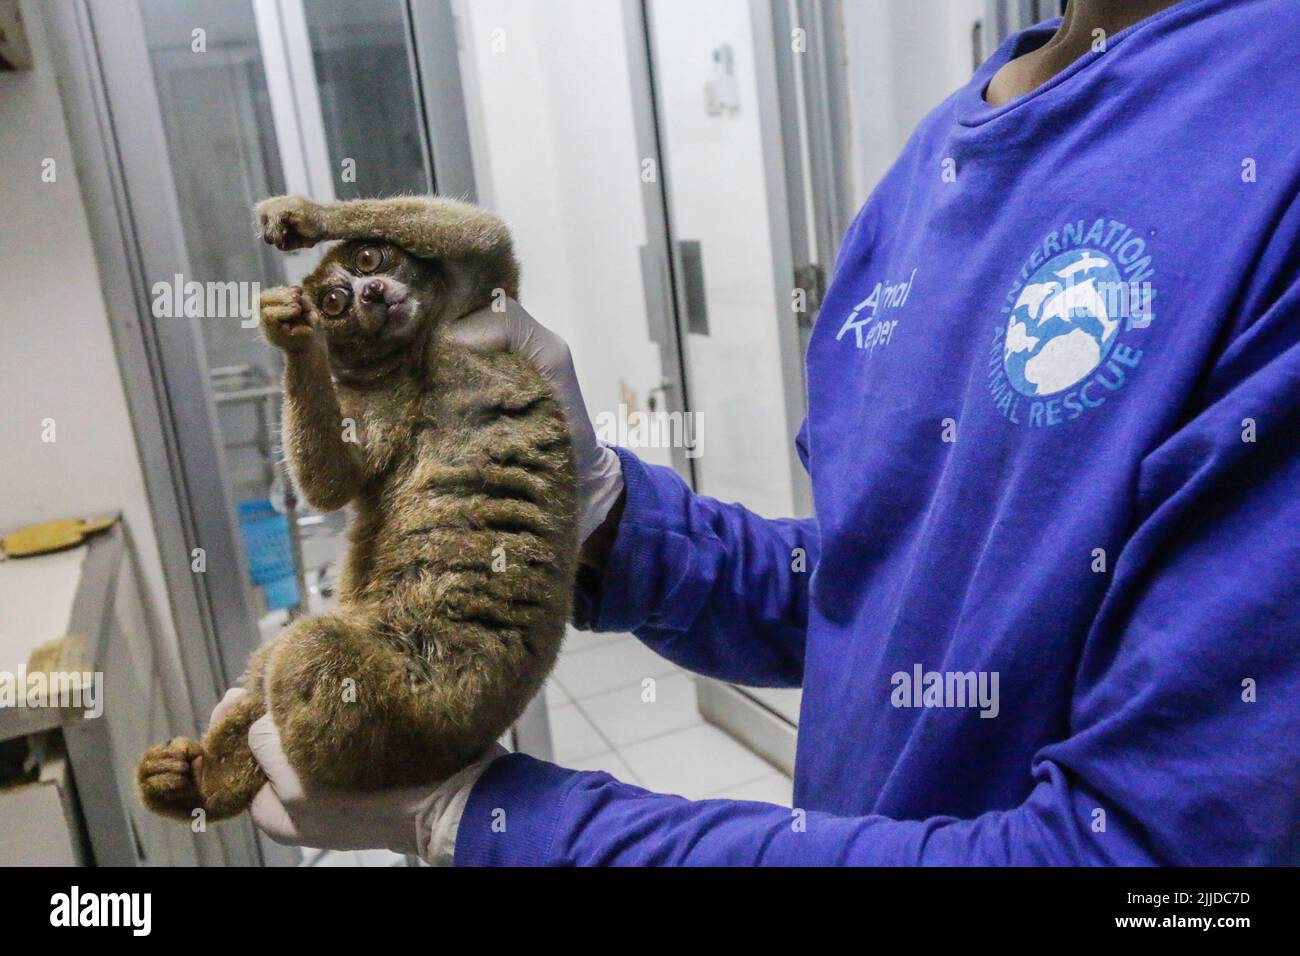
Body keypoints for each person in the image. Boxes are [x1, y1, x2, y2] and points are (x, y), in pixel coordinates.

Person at [231, 0, 1300, 865]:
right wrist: (604, 514)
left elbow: (1151, 865)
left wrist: (497, 822)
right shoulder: (931, 165)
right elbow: (876, 600)